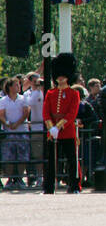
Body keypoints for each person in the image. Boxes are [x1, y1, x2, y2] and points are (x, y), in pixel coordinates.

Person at [44, 54, 82, 193]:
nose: (60, 78)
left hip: (67, 130)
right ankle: (48, 187)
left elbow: (72, 113)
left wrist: (58, 126)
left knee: (71, 160)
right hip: (52, 130)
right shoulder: (50, 93)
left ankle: (74, 186)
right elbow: (46, 112)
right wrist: (51, 128)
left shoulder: (73, 93)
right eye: (58, 76)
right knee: (51, 161)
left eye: (63, 75)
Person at [1, 78, 30, 190]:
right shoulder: (3, 100)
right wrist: (8, 124)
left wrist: (17, 124)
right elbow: (1, 114)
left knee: (22, 156)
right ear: (9, 87)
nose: (18, 87)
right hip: (9, 133)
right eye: (16, 85)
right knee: (9, 157)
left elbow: (26, 113)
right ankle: (10, 179)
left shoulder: (23, 98)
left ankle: (19, 178)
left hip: (22, 131)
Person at [22, 73, 44, 190]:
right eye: (35, 81)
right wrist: (36, 91)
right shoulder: (29, 94)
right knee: (38, 154)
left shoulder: (48, 92)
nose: (38, 83)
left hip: (48, 127)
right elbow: (28, 105)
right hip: (36, 127)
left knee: (51, 154)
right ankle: (39, 177)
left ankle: (52, 177)